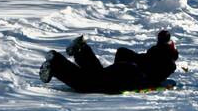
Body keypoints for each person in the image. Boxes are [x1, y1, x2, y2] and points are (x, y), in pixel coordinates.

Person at [40, 31, 179, 94]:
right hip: (130, 76)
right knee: (87, 84)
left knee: (95, 75)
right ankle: (56, 65)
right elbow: (154, 77)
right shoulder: (167, 63)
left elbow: (123, 52)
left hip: (126, 71)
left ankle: (79, 51)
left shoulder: (152, 54)